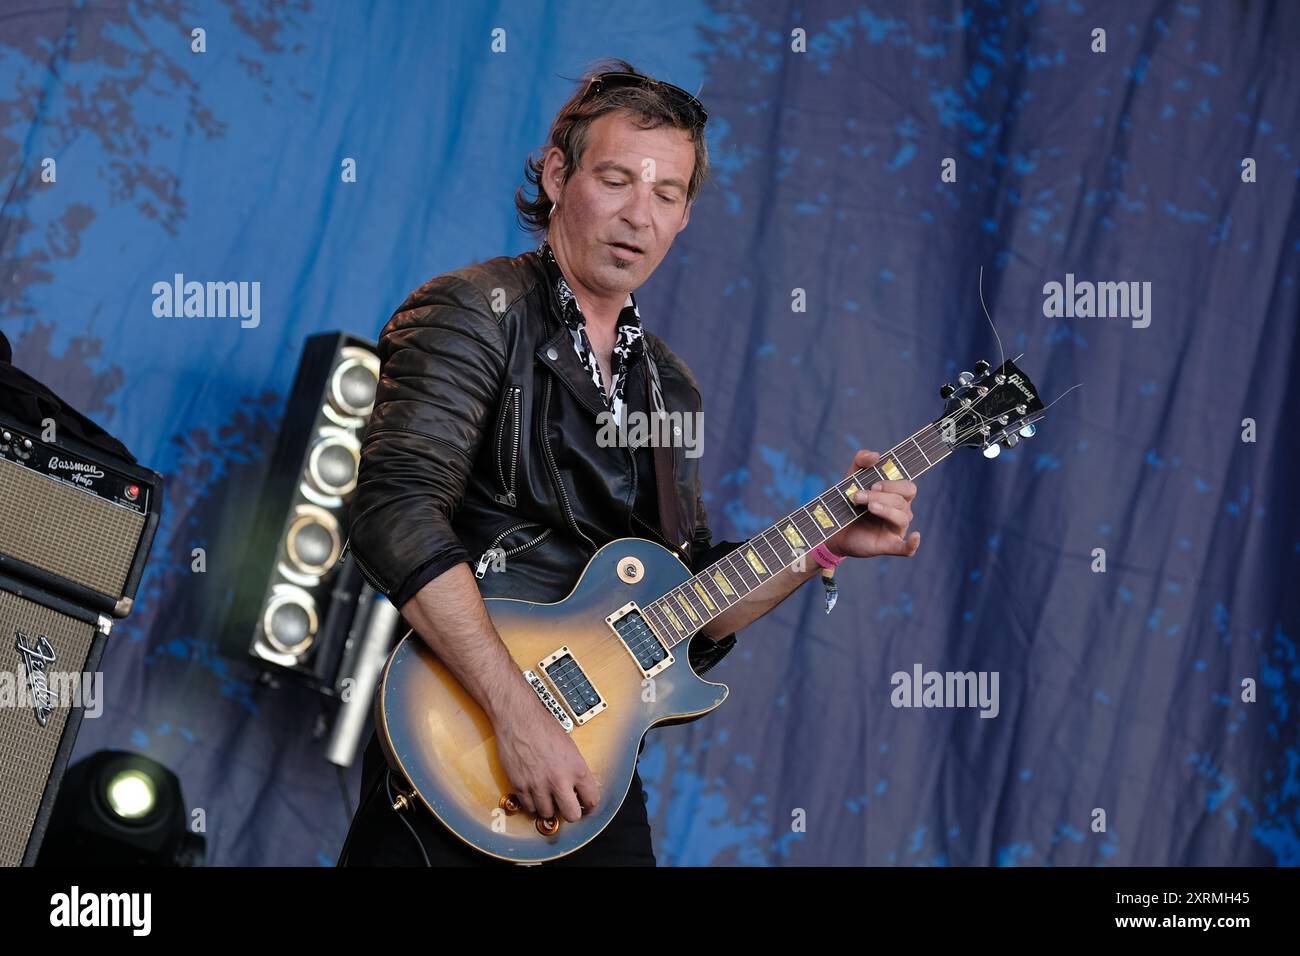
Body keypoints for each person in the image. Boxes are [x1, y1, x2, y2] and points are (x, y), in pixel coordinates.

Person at [338, 59, 921, 867]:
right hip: (469, 739)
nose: (637, 216)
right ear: (555, 174)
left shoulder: (668, 386)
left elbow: (690, 605)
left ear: (685, 217)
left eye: (667, 194)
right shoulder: (475, 311)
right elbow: (392, 514)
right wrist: (519, 716)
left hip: (597, 767)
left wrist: (822, 546)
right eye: (615, 179)